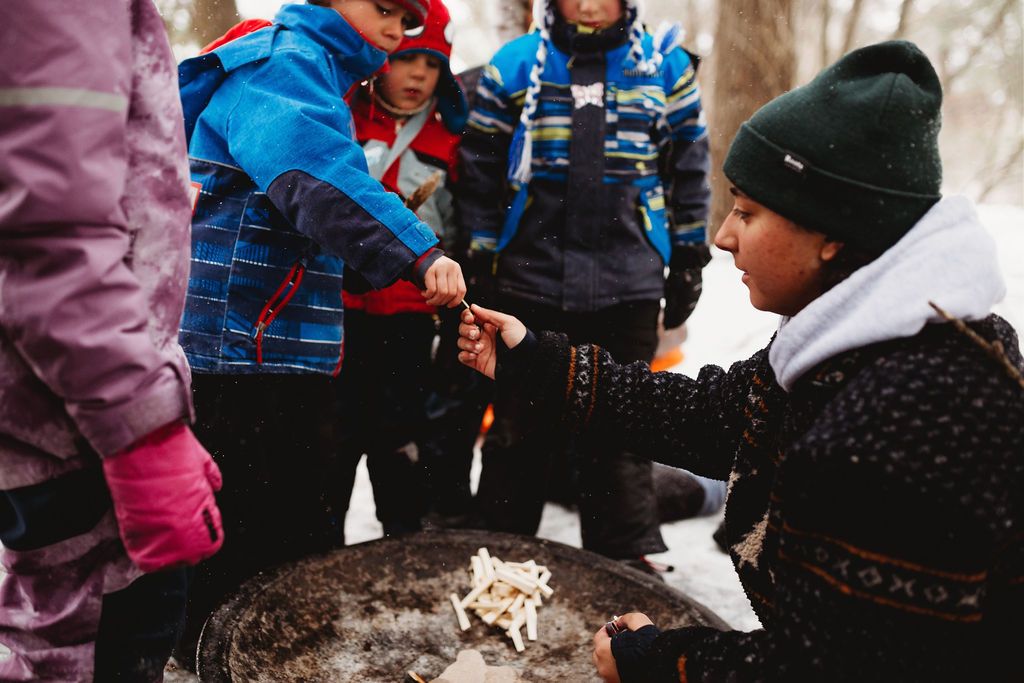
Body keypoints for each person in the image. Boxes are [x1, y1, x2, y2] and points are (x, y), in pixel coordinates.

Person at [456, 41, 1022, 681]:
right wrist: (534, 363)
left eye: (748, 213)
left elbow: (829, 671)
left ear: (833, 235)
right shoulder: (869, 344)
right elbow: (710, 417)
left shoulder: (902, 428)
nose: (724, 237)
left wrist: (658, 663)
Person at [172, 0, 466, 667]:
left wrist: (360, 272)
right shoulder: (284, 66)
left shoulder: (318, 73)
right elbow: (316, 179)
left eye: (410, 21)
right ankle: (218, 658)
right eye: (385, 9)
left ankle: (257, 653)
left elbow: (294, 222)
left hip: (273, 349)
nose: (400, 29)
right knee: (250, 534)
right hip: (237, 353)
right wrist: (419, 251)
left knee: (290, 528)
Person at [0, 2, 224, 680]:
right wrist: (142, 433)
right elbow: (48, 225)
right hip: (72, 412)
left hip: (71, 392)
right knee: (95, 647)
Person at [457, 0, 712, 566]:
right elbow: (479, 166)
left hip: (629, 282)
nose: (590, 4)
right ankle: (497, 557)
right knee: (521, 425)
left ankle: (623, 567)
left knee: (620, 427)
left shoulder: (664, 70)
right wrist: (479, 250)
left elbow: (689, 164)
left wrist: (690, 254)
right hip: (530, 278)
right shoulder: (516, 65)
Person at [330, 0, 468, 537]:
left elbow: (459, 226)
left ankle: (403, 548)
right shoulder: (338, 117)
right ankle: (319, 554)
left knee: (400, 443)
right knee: (332, 445)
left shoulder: (449, 142)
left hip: (410, 320)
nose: (418, 74)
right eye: (408, 58)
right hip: (340, 314)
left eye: (432, 64)